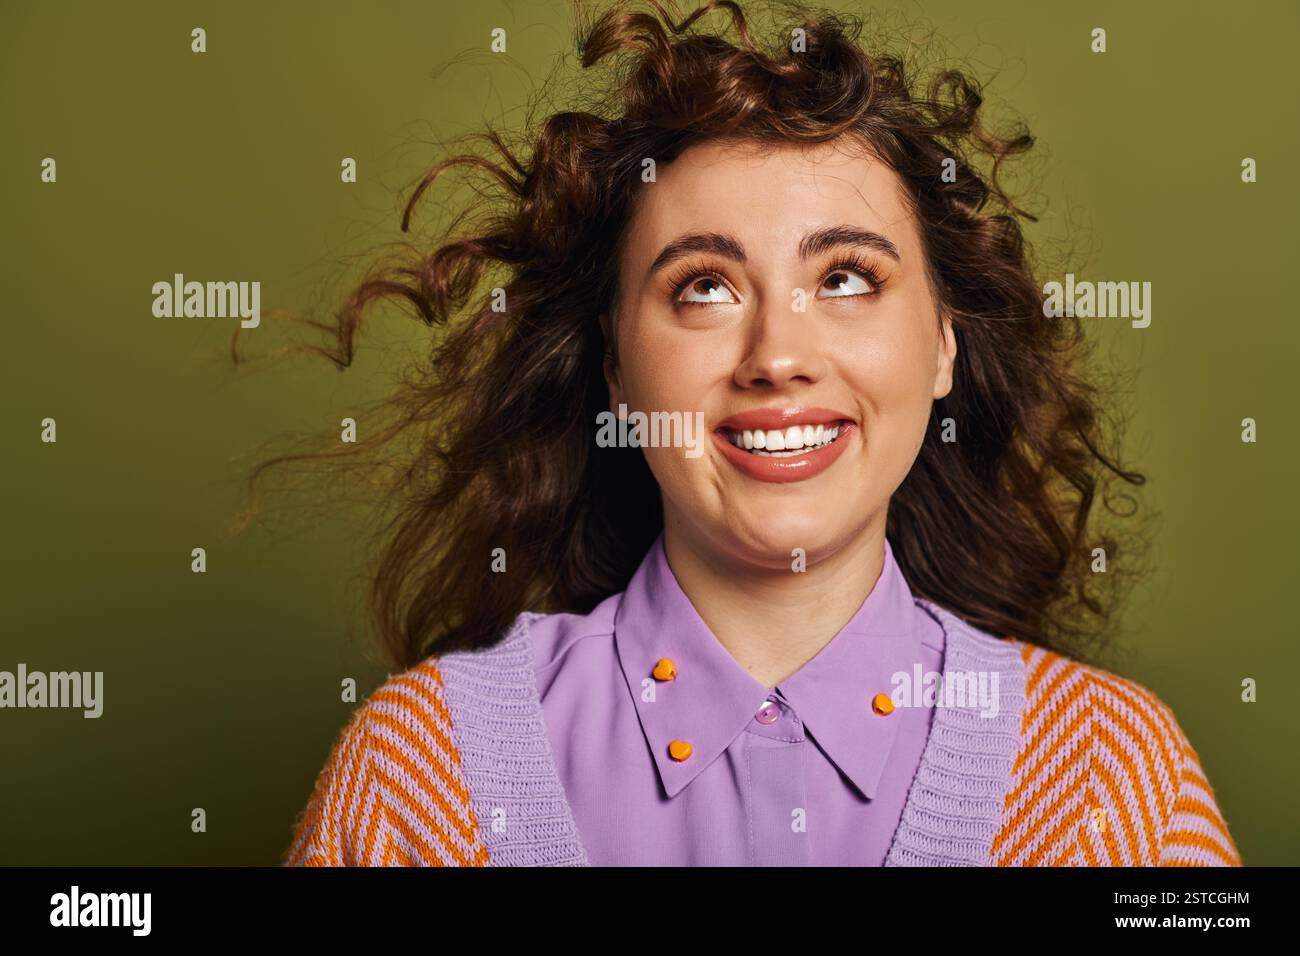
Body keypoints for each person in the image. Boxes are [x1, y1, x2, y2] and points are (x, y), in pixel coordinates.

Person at [277, 0, 1240, 866]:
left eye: (847, 278)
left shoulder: (1113, 785)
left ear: (943, 345)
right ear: (616, 368)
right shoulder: (422, 774)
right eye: (704, 286)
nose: (777, 355)